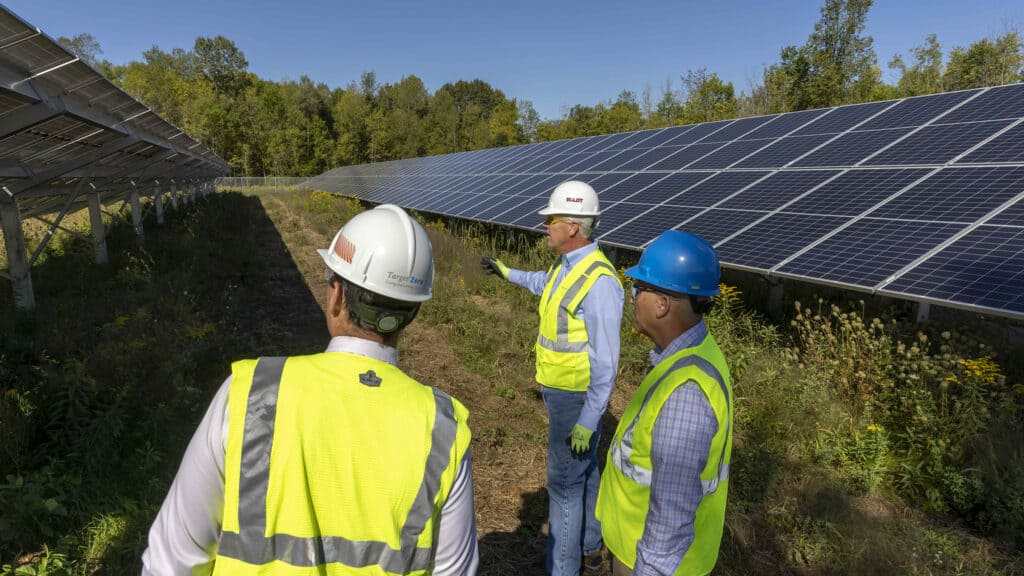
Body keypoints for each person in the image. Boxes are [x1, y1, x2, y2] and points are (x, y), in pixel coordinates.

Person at [142, 204, 478, 576]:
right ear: (413, 314)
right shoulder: (443, 428)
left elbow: (170, 562)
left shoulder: (251, 393)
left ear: (336, 296)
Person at [481, 180, 624, 576]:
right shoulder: (567, 267)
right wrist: (508, 273)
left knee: (563, 487)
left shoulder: (600, 283)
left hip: (575, 399)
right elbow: (543, 285)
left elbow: (607, 364)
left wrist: (588, 418)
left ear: (574, 227)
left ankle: (562, 568)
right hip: (563, 394)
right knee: (586, 471)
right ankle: (591, 549)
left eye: (552, 219)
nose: (545, 225)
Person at [596, 230, 733, 576]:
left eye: (638, 290)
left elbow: (669, 524)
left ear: (662, 305)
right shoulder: (691, 354)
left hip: (648, 561)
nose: (632, 300)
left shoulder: (685, 394)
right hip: (635, 546)